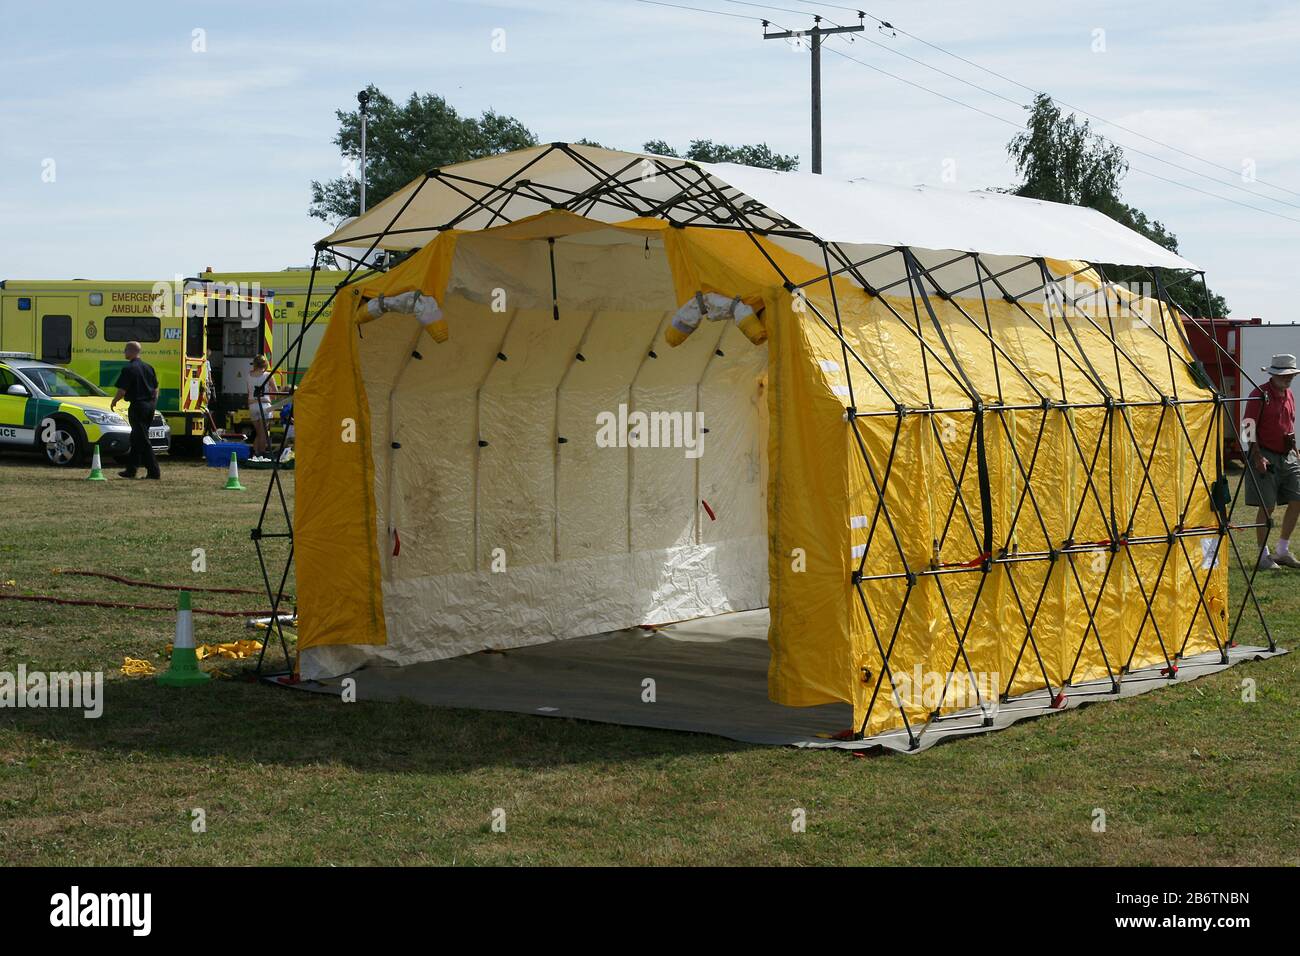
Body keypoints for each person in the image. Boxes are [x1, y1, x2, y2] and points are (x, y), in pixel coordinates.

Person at [1243, 353, 1300, 569]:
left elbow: (1289, 426)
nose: (1289, 378)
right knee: (1267, 506)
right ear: (1273, 374)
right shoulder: (1259, 395)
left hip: (1288, 455)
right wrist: (1257, 456)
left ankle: (1282, 551)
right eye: (1285, 375)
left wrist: (1295, 451)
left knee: (1297, 501)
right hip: (1265, 455)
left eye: (1292, 375)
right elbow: (1247, 428)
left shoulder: (1289, 394)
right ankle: (1262, 555)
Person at [110, 341, 161, 480]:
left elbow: (122, 390)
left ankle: (154, 471)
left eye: (125, 350)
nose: (124, 353)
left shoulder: (129, 369)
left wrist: (114, 401)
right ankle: (131, 469)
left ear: (131, 351)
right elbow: (156, 388)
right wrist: (153, 403)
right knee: (136, 438)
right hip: (149, 405)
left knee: (142, 439)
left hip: (138, 406)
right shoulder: (148, 367)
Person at [247, 355, 283, 457]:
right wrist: (271, 398)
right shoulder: (268, 375)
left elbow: (248, 391)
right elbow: (276, 393)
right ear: (265, 364)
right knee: (263, 433)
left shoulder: (249, 375)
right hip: (264, 405)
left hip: (252, 405)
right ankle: (261, 453)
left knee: (259, 432)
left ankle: (254, 452)